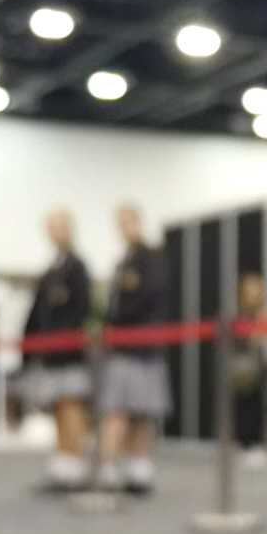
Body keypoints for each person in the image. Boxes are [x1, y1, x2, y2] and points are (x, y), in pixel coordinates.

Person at [93, 204, 170, 496]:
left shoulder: (151, 258)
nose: (124, 227)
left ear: (139, 222)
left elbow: (149, 298)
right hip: (122, 348)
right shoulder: (122, 261)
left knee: (140, 412)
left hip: (143, 347)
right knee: (118, 410)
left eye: (128, 221)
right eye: (120, 222)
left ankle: (138, 467)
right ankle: (109, 467)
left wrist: (118, 322)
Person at [22, 208, 94, 492]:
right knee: (59, 408)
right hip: (51, 354)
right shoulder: (52, 269)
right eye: (51, 226)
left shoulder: (77, 267)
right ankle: (64, 464)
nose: (55, 231)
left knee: (71, 405)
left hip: (70, 352)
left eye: (59, 226)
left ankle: (76, 465)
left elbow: (82, 310)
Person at [232, 271, 267, 471]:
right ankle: (247, 446)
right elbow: (244, 340)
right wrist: (261, 326)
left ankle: (255, 445)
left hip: (262, 368)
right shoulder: (241, 314)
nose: (256, 293)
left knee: (259, 406)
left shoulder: (262, 312)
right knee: (246, 407)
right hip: (245, 370)